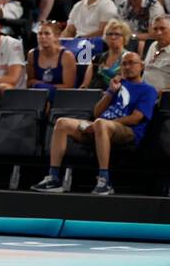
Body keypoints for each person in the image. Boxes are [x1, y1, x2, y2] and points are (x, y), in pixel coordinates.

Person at [34, 51, 156, 195]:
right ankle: (53, 178)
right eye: (124, 64)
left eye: (132, 63)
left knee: (100, 124)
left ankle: (105, 181)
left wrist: (103, 123)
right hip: (100, 126)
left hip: (129, 131)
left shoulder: (148, 90)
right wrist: (110, 92)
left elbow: (136, 118)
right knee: (62, 123)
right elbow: (97, 113)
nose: (128, 67)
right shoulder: (117, 85)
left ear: (141, 66)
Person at [27, 21, 76, 93]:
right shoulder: (32, 54)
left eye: (47, 34)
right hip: (38, 97)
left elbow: (68, 86)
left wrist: (43, 86)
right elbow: (29, 81)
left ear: (56, 37)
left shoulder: (66, 56)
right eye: (40, 34)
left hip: (61, 97)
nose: (42, 37)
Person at [85, 19, 132, 90]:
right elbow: (85, 85)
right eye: (110, 34)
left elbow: (129, 83)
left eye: (117, 34)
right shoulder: (97, 58)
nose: (113, 37)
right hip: (96, 97)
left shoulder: (130, 58)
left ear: (124, 37)